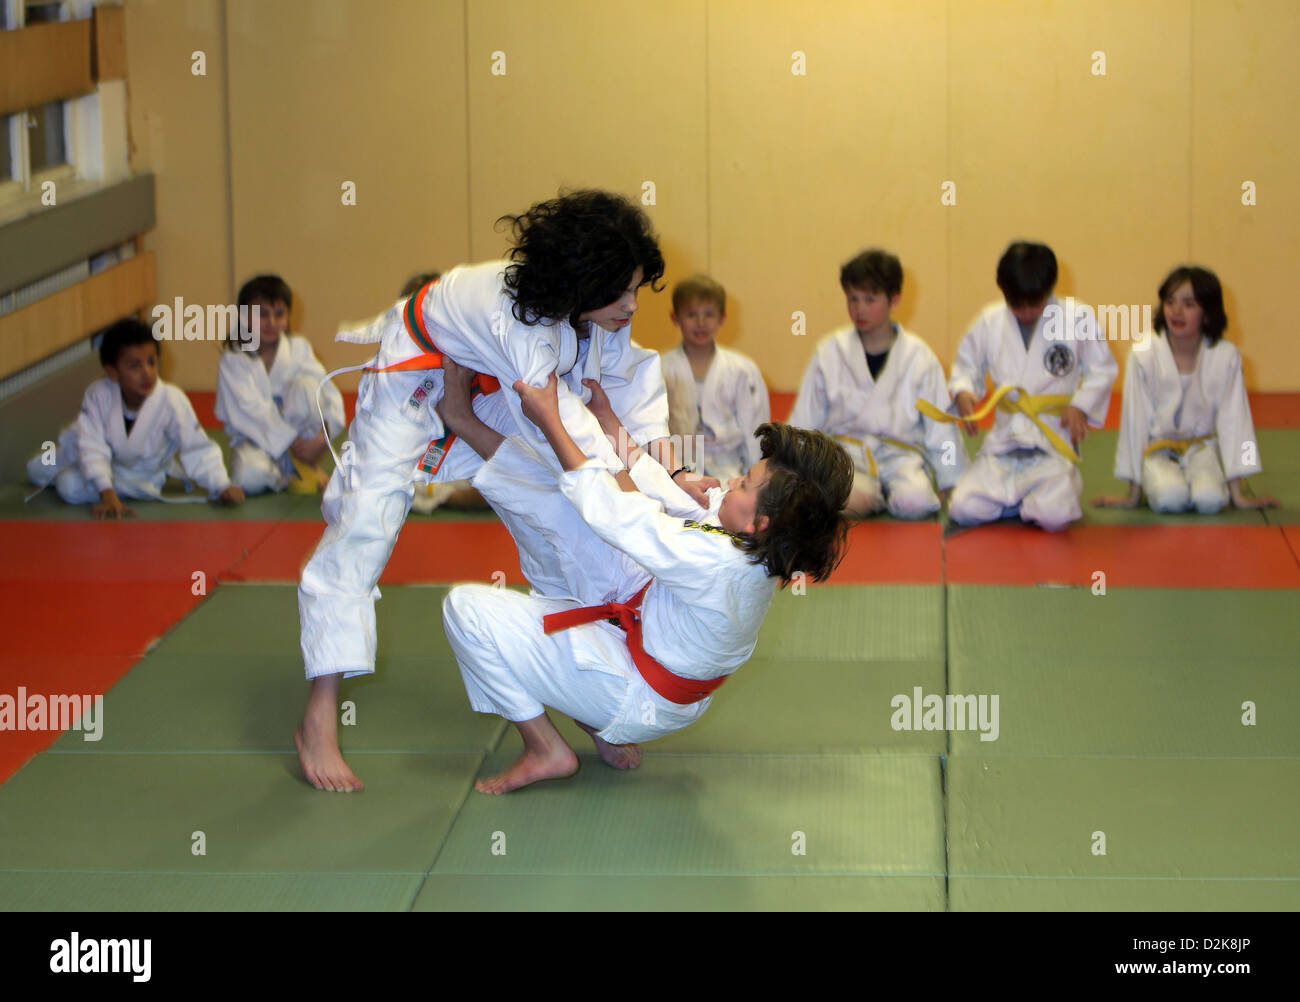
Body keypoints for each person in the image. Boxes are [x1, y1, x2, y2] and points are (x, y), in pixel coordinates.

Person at [296, 189, 712, 792]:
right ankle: (318, 712)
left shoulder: (596, 312)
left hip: (496, 383)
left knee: (553, 516)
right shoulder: (520, 320)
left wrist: (672, 476)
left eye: (635, 289)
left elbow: (629, 391)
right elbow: (581, 442)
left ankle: (580, 700)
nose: (630, 304)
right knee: (365, 522)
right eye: (619, 291)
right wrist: (656, 503)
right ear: (579, 279)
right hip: (418, 364)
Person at [437, 362, 852, 794]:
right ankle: (598, 721)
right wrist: (609, 425)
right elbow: (660, 494)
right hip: (646, 650)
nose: (729, 483)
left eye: (744, 484)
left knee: (465, 610)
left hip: (636, 689)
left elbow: (618, 515)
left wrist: (552, 421)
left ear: (761, 522)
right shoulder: (750, 544)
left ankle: (546, 747)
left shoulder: (723, 564)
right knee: (561, 519)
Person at [941, 241, 1117, 531]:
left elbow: (1102, 368)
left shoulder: (1078, 317)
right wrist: (964, 391)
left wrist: (1080, 405)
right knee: (963, 508)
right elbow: (966, 365)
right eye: (1016, 304)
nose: (1025, 311)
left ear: (1048, 288)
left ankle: (1043, 490)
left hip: (1051, 444)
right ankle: (1018, 499)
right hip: (1003, 444)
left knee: (1055, 517)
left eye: (1033, 303)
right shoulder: (990, 320)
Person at [789, 249, 965, 518]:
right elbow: (805, 416)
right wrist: (787, 466)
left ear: (894, 300)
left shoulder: (919, 357)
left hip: (901, 457)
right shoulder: (830, 351)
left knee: (915, 503)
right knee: (842, 499)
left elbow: (940, 426)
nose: (859, 309)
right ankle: (871, 497)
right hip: (848, 456)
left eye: (870, 300)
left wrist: (950, 481)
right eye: (852, 299)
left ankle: (889, 494)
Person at [1094, 266, 1276, 513]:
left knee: (1210, 502)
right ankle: (1152, 485)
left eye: (1189, 304)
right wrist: (1132, 494)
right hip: (1156, 451)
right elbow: (1134, 423)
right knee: (1170, 499)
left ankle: (1214, 486)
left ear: (1208, 313)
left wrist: (1239, 493)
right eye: (1170, 302)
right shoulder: (1143, 355)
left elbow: (1237, 423)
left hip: (1201, 449)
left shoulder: (1225, 356)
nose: (1176, 311)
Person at [26, 318, 243, 517]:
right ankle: (52, 453)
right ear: (112, 372)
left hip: (140, 476)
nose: (147, 372)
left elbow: (196, 446)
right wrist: (107, 493)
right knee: (37, 469)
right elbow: (92, 445)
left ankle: (99, 481)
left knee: (68, 485)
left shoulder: (171, 400)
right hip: (81, 447)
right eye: (134, 366)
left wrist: (222, 484)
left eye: (151, 362)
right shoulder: (98, 394)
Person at [214, 274, 346, 495]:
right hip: (256, 441)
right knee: (248, 478)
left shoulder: (299, 349)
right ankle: (287, 471)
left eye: (279, 314)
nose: (272, 323)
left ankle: (304, 463)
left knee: (309, 387)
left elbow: (328, 393)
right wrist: (290, 442)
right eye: (262, 314)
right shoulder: (233, 359)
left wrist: (321, 440)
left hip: (304, 440)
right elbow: (251, 410)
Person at [660, 274, 770, 482]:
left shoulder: (742, 370)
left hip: (729, 468)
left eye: (709, 314)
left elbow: (754, 428)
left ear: (722, 318)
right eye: (691, 314)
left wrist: (754, 477)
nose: (701, 323)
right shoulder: (661, 368)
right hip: (677, 467)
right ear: (675, 318)